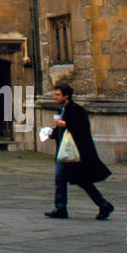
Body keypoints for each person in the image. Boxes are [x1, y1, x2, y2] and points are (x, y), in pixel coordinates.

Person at [45, 82, 114, 219]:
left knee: (83, 181)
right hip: (64, 153)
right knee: (61, 178)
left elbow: (81, 128)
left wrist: (65, 124)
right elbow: (61, 131)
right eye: (54, 95)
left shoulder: (76, 109)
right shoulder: (62, 109)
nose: (55, 97)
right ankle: (61, 208)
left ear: (67, 95)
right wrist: (51, 133)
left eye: (58, 95)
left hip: (76, 153)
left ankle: (104, 205)